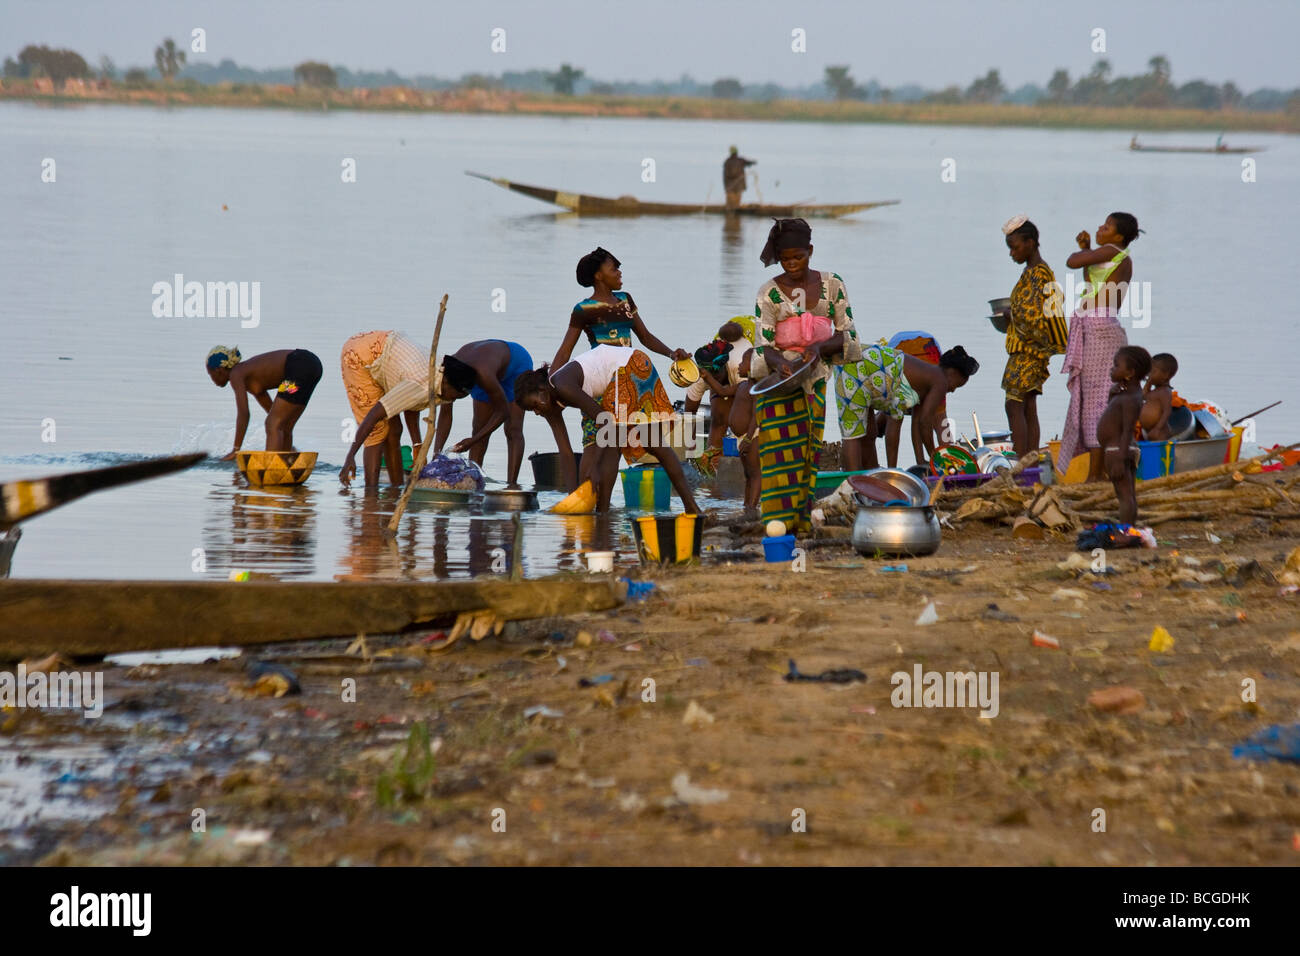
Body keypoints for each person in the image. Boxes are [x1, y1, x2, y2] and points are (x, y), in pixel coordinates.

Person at [751, 218, 862, 533]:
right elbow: (763, 348)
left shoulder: (832, 285)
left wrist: (817, 348)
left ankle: (799, 522)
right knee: (778, 459)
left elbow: (849, 337)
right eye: (785, 260)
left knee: (808, 454)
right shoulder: (769, 293)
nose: (792, 265)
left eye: (798, 258)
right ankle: (775, 522)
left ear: (810, 251)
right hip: (778, 387)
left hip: (814, 383)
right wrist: (779, 361)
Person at [513, 345, 701, 514]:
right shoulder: (551, 407)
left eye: (535, 405)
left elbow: (606, 422)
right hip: (627, 370)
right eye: (532, 411)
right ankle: (603, 514)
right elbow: (566, 453)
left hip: (628, 367)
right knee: (624, 445)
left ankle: (690, 506)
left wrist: (594, 467)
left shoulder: (562, 385)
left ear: (543, 392)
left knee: (645, 443)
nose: (537, 412)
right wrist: (572, 500)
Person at [1058, 212, 1141, 480]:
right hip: (1106, 324)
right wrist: (1087, 249)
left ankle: (1094, 475)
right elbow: (1091, 277)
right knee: (1103, 397)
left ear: (1118, 237)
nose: (1100, 228)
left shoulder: (1110, 250)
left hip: (1096, 327)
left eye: (1106, 227)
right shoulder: (1118, 258)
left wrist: (1082, 251)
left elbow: (1072, 262)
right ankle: (1103, 471)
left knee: (1094, 401)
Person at [843, 345, 979, 469]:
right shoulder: (940, 381)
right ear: (952, 373)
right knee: (853, 435)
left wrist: (920, 461)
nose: (953, 390)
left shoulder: (923, 381)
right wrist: (935, 458)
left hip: (866, 364)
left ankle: (874, 472)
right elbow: (925, 422)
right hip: (862, 367)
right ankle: (854, 482)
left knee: (871, 431)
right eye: (956, 385)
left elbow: (918, 421)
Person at [551, 248, 688, 370]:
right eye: (613, 269)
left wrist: (672, 354)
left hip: (628, 369)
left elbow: (645, 337)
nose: (619, 273)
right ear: (598, 276)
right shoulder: (583, 309)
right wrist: (550, 382)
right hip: (601, 372)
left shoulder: (625, 299)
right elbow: (565, 352)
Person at [1000, 217, 1068, 458]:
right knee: (1028, 405)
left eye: (1015, 247)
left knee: (1013, 403)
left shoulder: (1039, 274)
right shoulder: (1035, 272)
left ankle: (1020, 460)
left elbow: (1035, 316)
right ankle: (1029, 462)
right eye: (1009, 248)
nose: (1011, 253)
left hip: (1030, 350)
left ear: (1031, 243)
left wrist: (1010, 315)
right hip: (1032, 349)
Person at [430, 340, 533, 488]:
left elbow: (503, 412)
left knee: (512, 429)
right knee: (479, 428)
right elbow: (445, 415)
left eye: (454, 397)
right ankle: (473, 482)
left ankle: (512, 485)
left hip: (515, 365)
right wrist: (436, 455)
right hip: (483, 367)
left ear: (464, 391)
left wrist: (472, 441)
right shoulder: (449, 371)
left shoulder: (483, 376)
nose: (451, 400)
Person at [338, 330, 429, 488]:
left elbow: (412, 403)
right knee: (377, 431)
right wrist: (351, 456)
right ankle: (370, 496)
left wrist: (417, 445)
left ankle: (395, 489)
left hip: (385, 357)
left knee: (394, 429)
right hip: (360, 357)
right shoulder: (424, 379)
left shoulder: (430, 378)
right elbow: (372, 419)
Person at [206, 346, 323, 460]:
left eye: (210, 374)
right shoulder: (250, 376)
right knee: (284, 425)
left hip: (298, 365)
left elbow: (244, 414)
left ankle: (271, 468)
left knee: (272, 424)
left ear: (219, 370)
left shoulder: (236, 373)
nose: (212, 379)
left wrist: (236, 449)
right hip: (312, 366)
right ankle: (287, 461)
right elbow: (272, 410)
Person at [684, 319, 755, 474]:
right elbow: (689, 413)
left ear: (724, 367)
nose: (714, 383)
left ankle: (739, 462)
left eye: (716, 378)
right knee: (719, 417)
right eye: (710, 380)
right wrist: (690, 445)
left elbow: (755, 411)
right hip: (729, 340)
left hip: (756, 343)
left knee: (740, 422)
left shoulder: (740, 366)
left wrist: (747, 440)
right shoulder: (701, 374)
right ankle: (711, 466)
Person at [1097, 346, 1151, 524]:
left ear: (1130, 372)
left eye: (1116, 365)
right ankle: (1129, 529)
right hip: (1121, 448)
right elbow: (1114, 416)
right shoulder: (1127, 393)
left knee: (1125, 496)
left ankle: (1126, 530)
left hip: (1119, 449)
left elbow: (1128, 429)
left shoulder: (1131, 398)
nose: (1112, 369)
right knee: (1127, 494)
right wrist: (1111, 396)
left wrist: (1120, 458)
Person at [1139, 352, 1178, 441]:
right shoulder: (1154, 391)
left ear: (1166, 375)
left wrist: (1158, 428)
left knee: (1161, 453)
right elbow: (1143, 395)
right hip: (1150, 431)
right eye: (1149, 372)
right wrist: (1148, 382)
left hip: (1160, 432)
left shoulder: (1164, 392)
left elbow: (1167, 411)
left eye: (1153, 372)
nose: (1149, 375)